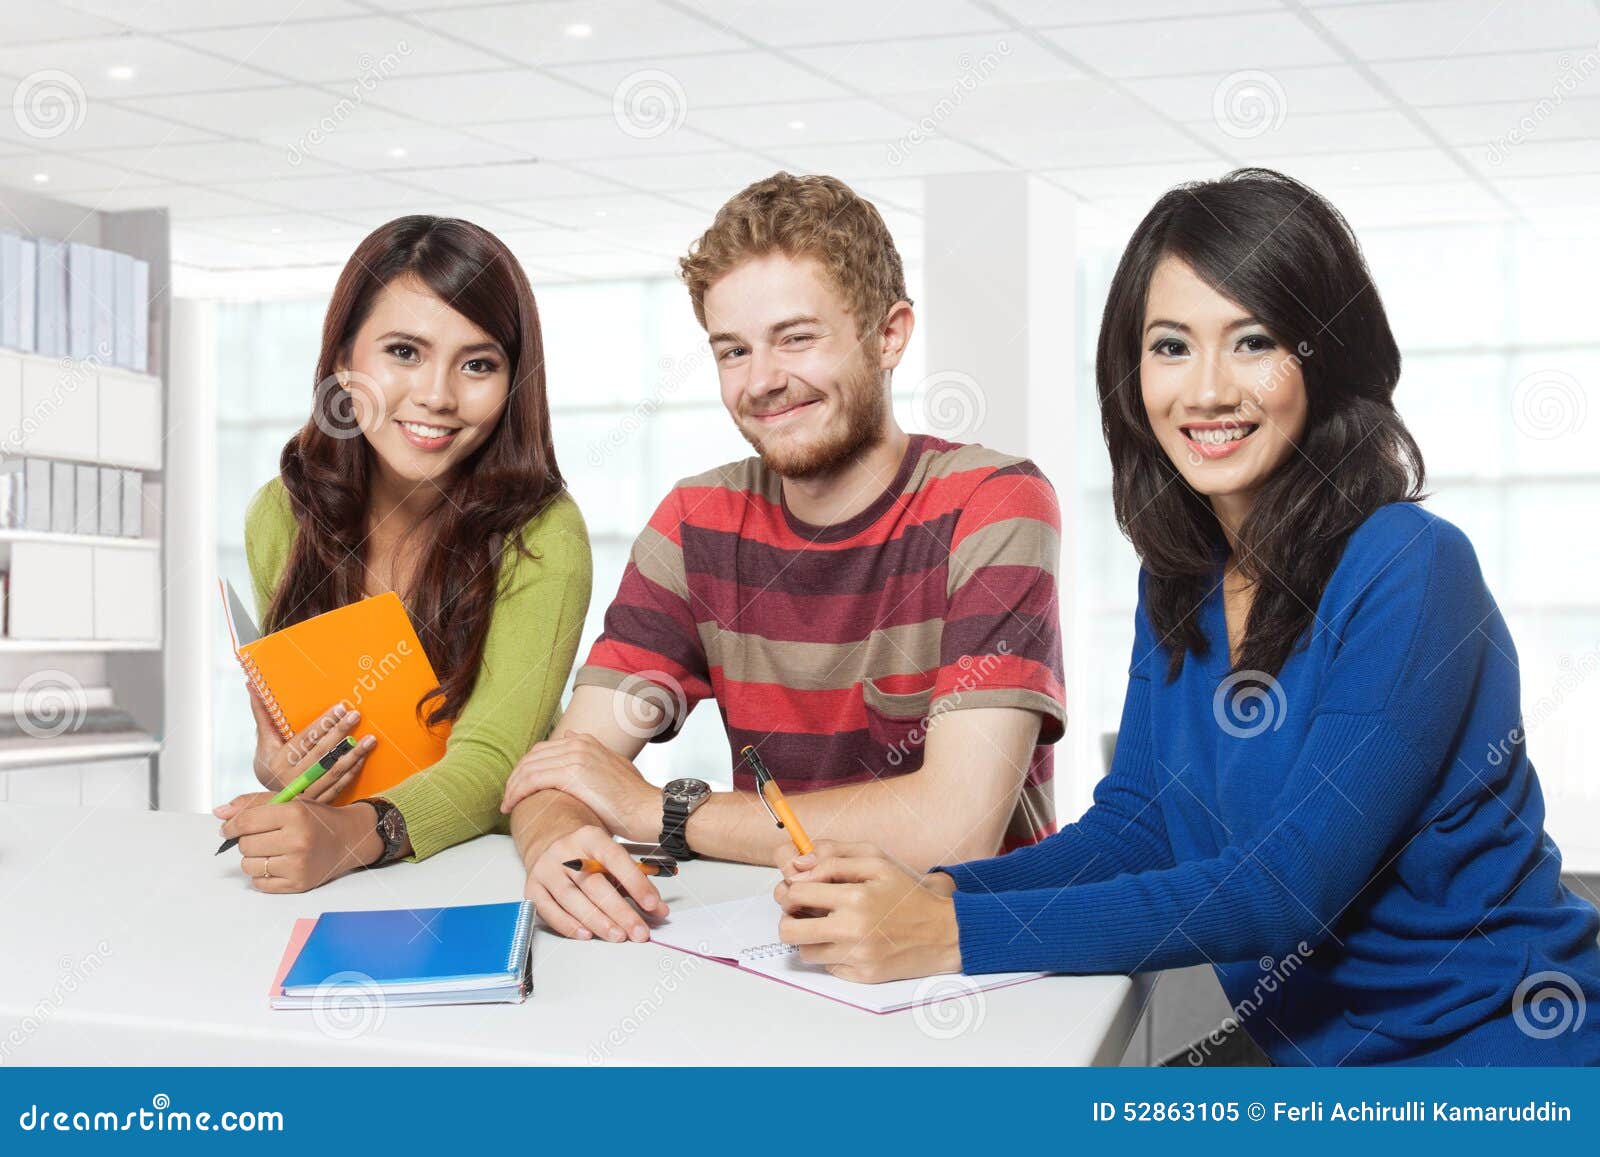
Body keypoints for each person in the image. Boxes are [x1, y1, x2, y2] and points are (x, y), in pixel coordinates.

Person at [772, 168, 1600, 1066]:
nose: (1205, 391)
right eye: (1170, 346)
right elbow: (1137, 828)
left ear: (1326, 358)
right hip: (1317, 1058)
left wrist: (950, 931)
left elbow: (1291, 887)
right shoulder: (1182, 572)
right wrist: (924, 889)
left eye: (1252, 341)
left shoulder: (1411, 564)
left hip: (1494, 1052)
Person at [499, 172, 1066, 945]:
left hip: (972, 958)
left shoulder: (993, 504)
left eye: (797, 338)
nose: (762, 381)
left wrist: (657, 810)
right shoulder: (697, 524)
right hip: (785, 944)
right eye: (734, 350)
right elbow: (568, 765)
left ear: (889, 334)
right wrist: (553, 840)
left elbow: (952, 826)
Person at [215, 215, 592, 893]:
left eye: (478, 363)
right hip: (343, 874)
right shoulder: (282, 513)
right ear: (343, 362)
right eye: (404, 352)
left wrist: (352, 833)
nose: (438, 395)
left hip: (483, 875)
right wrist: (285, 770)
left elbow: (494, 757)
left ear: (514, 382)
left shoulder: (542, 534)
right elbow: (334, 738)